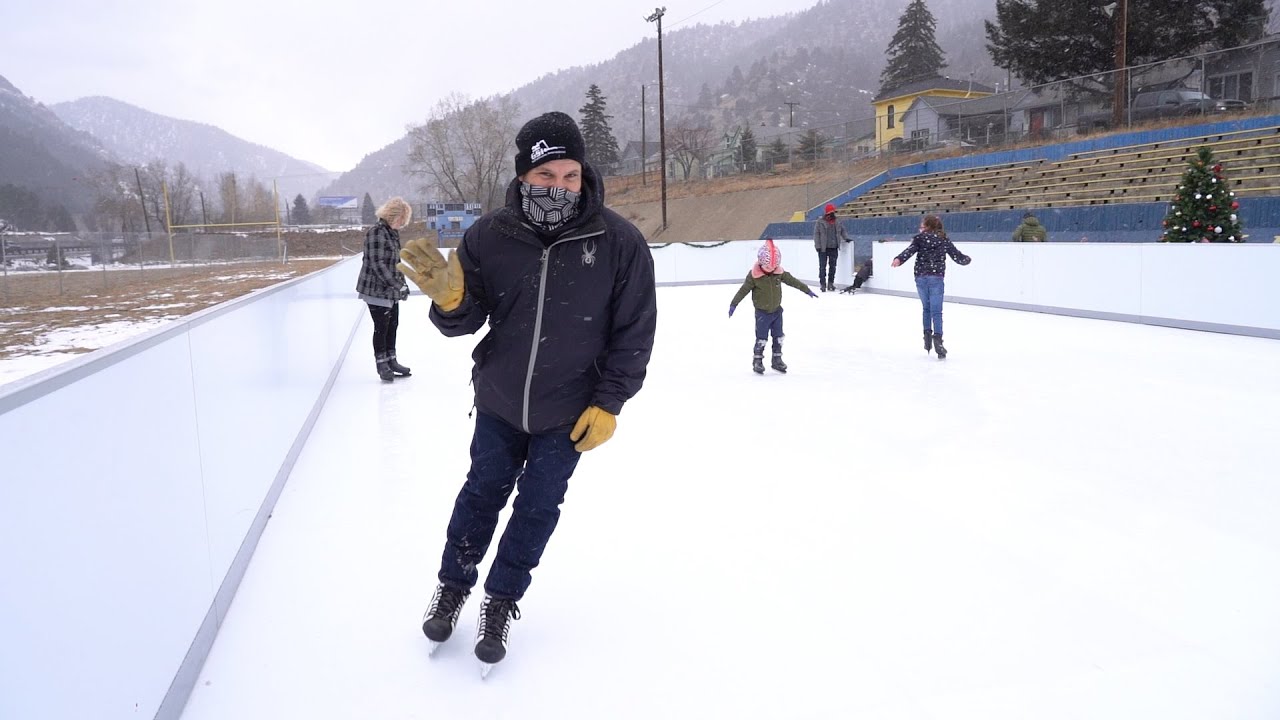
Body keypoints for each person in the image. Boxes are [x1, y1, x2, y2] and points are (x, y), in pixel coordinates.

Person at [397, 111, 657, 670]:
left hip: (569, 411)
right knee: (480, 495)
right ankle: (453, 585)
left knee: (537, 507)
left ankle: (501, 599)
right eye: (546, 175)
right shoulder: (490, 235)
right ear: (523, 176)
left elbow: (634, 331)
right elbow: (464, 321)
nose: (558, 186)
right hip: (498, 401)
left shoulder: (618, 241)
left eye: (569, 175)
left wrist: (609, 402)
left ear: (583, 175)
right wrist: (448, 301)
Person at [729, 238, 817, 374]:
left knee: (779, 336)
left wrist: (807, 290)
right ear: (761, 262)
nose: (771, 270)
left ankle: (777, 360)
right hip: (762, 313)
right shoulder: (754, 276)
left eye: (773, 268)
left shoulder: (778, 273)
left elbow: (793, 281)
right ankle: (757, 360)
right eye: (768, 268)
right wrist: (734, 304)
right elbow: (743, 290)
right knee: (761, 337)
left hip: (777, 312)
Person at [891, 215, 972, 359]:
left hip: (921, 276)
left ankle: (927, 336)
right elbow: (956, 256)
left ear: (927, 225)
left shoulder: (920, 239)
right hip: (936, 277)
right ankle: (938, 339)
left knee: (926, 308)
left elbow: (908, 252)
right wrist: (966, 259)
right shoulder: (943, 240)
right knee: (937, 311)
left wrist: (898, 259)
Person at [355, 196, 412, 382]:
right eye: (401, 220)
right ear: (392, 216)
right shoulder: (377, 233)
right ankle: (382, 364)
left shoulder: (391, 233)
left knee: (393, 325)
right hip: (375, 289)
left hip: (389, 289)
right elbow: (378, 264)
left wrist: (403, 284)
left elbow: (395, 262)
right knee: (381, 327)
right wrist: (397, 285)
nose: (402, 224)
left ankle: (391, 360)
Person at [813, 203, 849, 291]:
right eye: (830, 212)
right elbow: (816, 234)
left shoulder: (837, 221)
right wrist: (817, 246)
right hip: (823, 248)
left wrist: (846, 238)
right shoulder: (819, 222)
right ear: (826, 213)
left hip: (834, 247)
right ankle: (822, 284)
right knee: (822, 267)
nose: (832, 214)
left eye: (833, 212)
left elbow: (842, 230)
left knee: (833, 266)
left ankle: (830, 283)